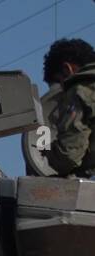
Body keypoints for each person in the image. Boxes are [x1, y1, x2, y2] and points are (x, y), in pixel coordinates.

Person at [41, 37, 95, 178]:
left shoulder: (81, 89)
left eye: (60, 83)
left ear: (67, 69)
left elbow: (69, 155)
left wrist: (46, 151)